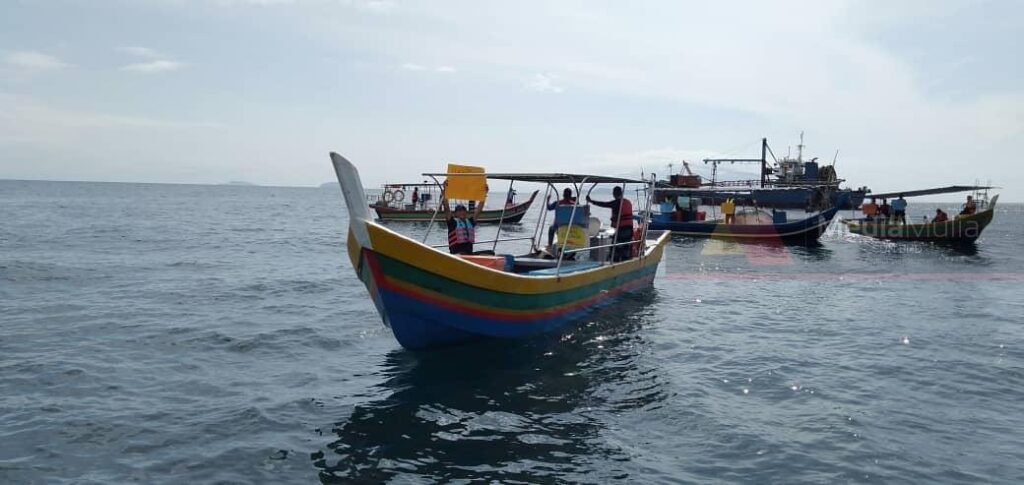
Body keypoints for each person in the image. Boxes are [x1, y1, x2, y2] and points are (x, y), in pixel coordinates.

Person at [587, 186, 634, 262]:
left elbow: (604, 204)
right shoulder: (628, 202)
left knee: (615, 247)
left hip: (621, 230)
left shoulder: (617, 202)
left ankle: (615, 261)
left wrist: (591, 201)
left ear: (614, 194)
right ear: (621, 193)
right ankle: (626, 260)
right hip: (629, 229)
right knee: (626, 246)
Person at [441, 187, 486, 255]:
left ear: (466, 212)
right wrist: (444, 192)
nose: (462, 212)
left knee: (490, 253)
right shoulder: (452, 222)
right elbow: (446, 207)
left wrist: (484, 194)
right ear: (455, 213)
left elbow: (479, 210)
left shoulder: (470, 222)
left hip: (469, 254)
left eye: (463, 210)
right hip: (457, 255)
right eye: (459, 211)